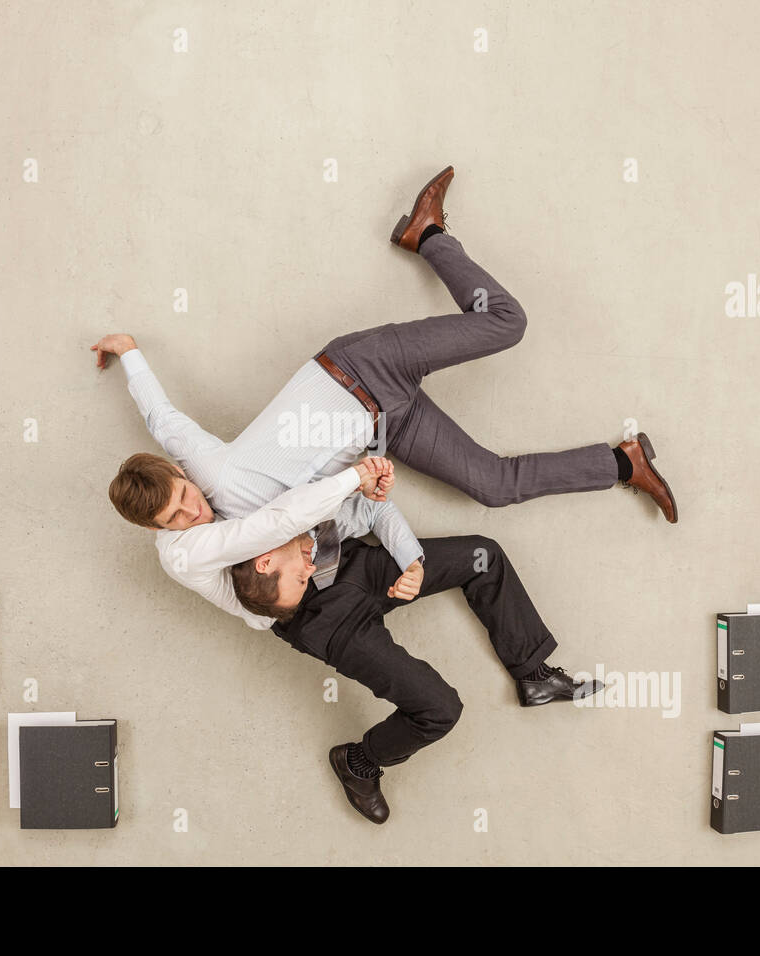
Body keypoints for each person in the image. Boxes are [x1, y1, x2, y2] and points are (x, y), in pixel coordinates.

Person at [93, 164, 676, 626]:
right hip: (385, 428)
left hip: (358, 368)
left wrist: (129, 352)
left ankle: (428, 234)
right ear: (157, 530)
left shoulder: (204, 466)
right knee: (493, 486)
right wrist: (398, 558)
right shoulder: (239, 551)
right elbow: (268, 589)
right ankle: (623, 463)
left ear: (181, 474)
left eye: (183, 497)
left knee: (506, 323)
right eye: (175, 519)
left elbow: (162, 418)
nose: (192, 513)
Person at [228, 515, 602, 824]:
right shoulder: (222, 545)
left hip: (351, 564)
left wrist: (412, 565)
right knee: (441, 709)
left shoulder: (266, 505)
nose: (306, 570)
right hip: (327, 624)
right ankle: (358, 763)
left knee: (483, 556)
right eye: (300, 576)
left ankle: (534, 675)